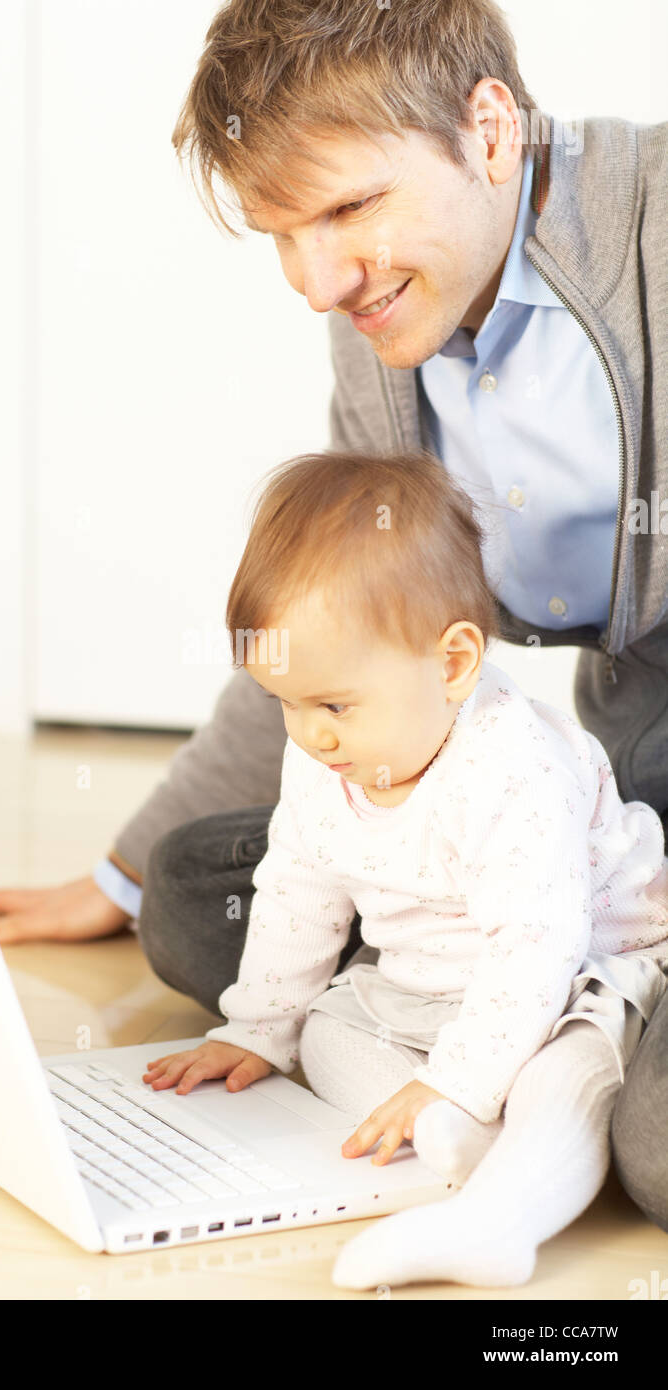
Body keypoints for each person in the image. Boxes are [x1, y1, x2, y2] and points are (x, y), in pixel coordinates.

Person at [0, 0, 668, 1232]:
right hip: (581, 795)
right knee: (194, 895)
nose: (315, 281)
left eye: (347, 209)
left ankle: (566, 1030)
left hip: (618, 824)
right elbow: (342, 637)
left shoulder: (654, 226)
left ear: (489, 127)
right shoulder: (387, 321)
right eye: (280, 234)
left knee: (660, 1147)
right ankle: (519, 1010)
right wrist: (121, 865)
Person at [141, 448, 668, 1290]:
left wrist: (462, 1075)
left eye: (335, 706)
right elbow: (297, 890)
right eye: (287, 703)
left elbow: (536, 944)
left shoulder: (512, 768)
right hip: (428, 983)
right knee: (321, 1030)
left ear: (453, 664)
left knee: (561, 1070)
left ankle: (504, 1216)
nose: (311, 735)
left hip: (577, 970)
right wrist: (257, 1030)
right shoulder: (321, 758)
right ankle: (461, 1141)